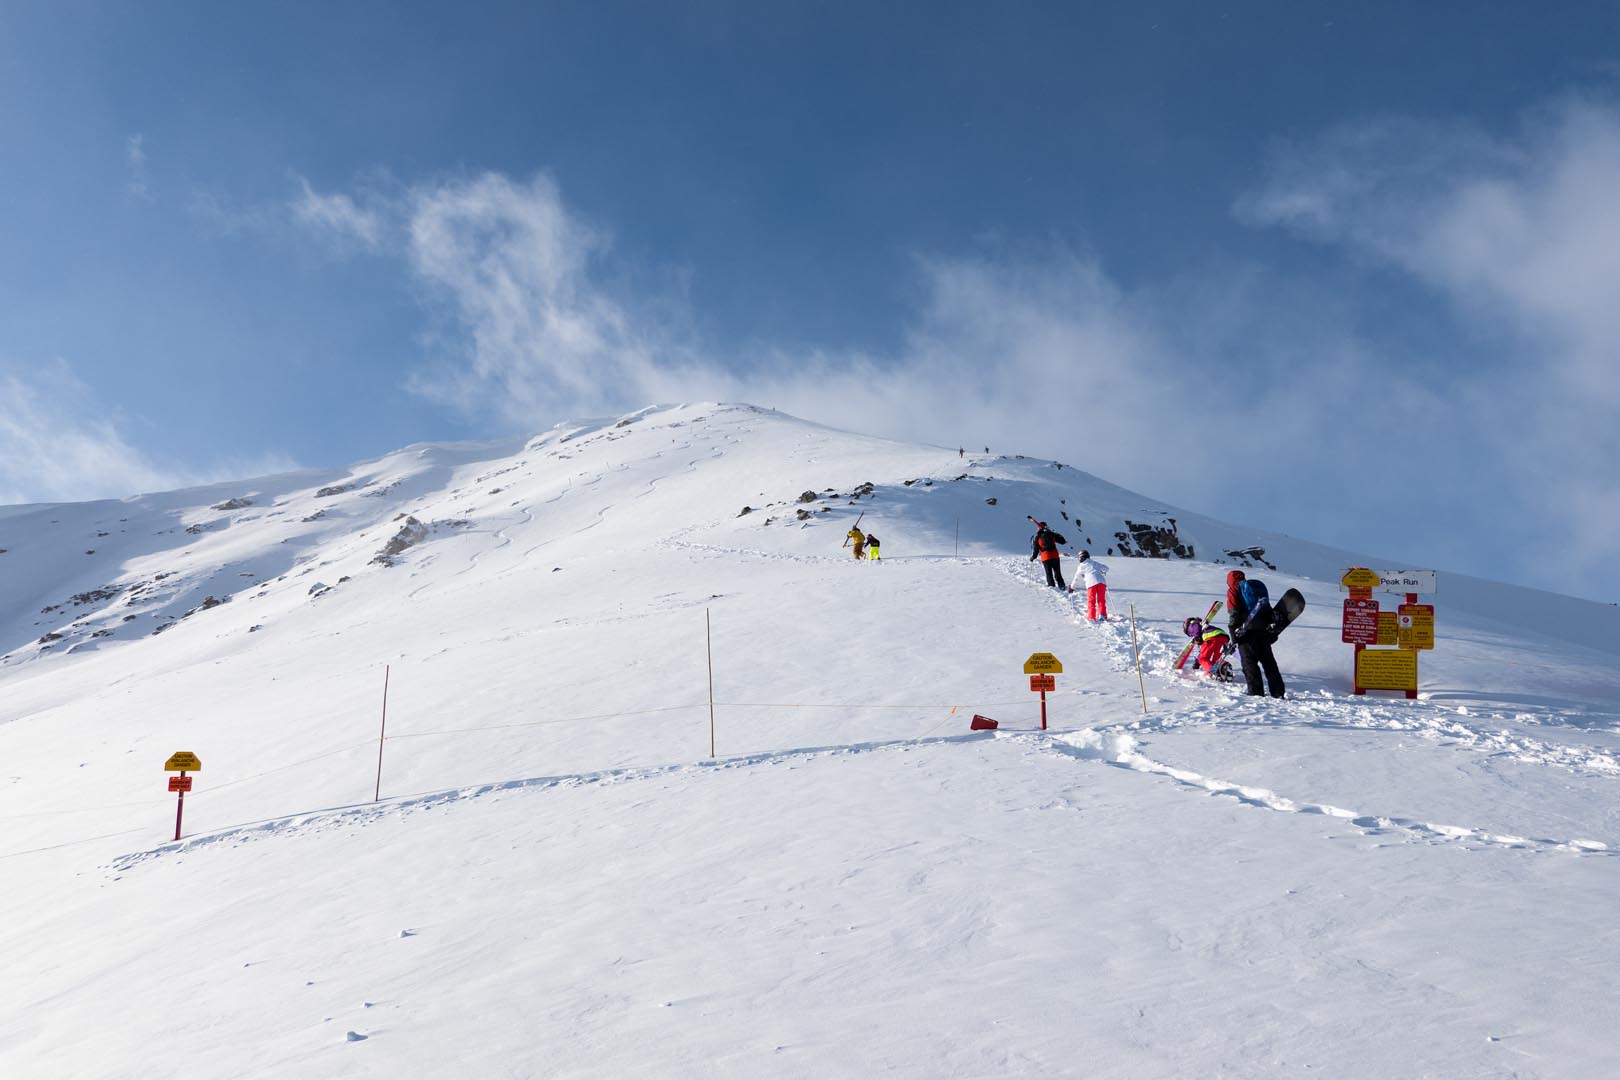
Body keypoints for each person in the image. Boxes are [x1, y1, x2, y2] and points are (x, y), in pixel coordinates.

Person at [1226, 569, 1285, 698]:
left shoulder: (1234, 589)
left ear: (1229, 581)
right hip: (1263, 629)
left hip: (1246, 631)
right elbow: (1267, 608)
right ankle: (1278, 692)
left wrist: (1233, 633)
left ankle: (1256, 694)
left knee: (1249, 663)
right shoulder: (1256, 587)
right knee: (1269, 662)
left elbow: (1233, 613)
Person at [1029, 521, 1067, 589]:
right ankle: (1062, 585)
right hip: (1055, 556)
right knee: (1057, 572)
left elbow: (1036, 550)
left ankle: (1051, 586)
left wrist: (1033, 557)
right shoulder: (1051, 534)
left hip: (1045, 557)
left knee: (1049, 573)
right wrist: (1056, 533)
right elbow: (1063, 541)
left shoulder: (1038, 537)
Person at [1073, 550, 1108, 620]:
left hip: (1091, 583)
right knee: (1101, 600)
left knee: (1091, 600)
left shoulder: (1081, 566)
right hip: (1101, 582)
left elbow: (1076, 578)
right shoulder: (1094, 563)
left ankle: (1092, 617)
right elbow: (1106, 568)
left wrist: (1072, 587)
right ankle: (1102, 615)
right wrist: (1102, 571)